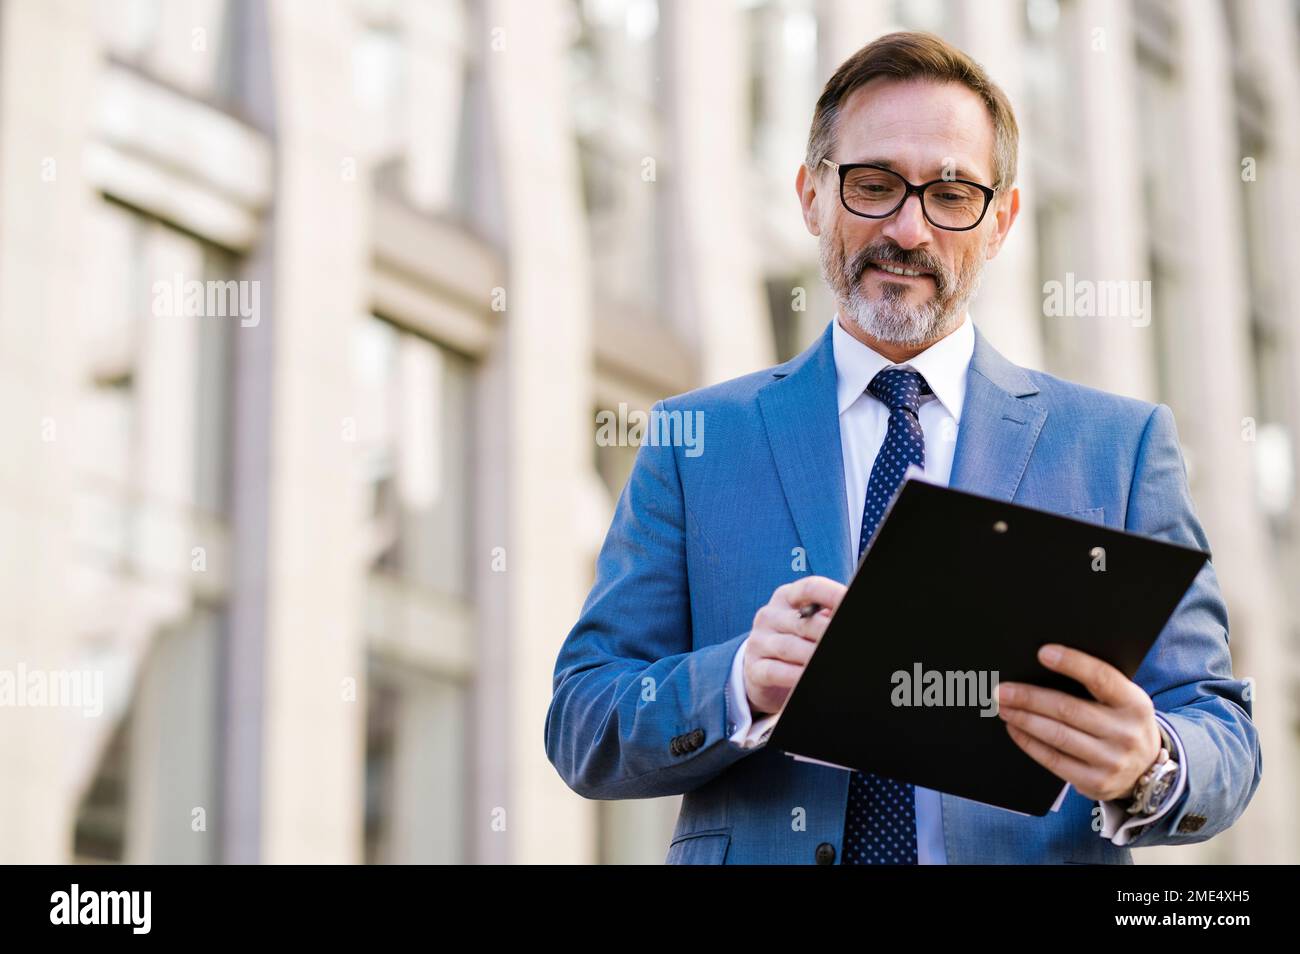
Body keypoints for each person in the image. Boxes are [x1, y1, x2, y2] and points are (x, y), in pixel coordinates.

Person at [544, 30, 1261, 864]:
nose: (909, 230)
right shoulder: (695, 441)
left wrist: (1150, 766)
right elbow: (583, 721)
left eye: (952, 195)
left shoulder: (1120, 448)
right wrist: (738, 678)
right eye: (874, 185)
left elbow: (1221, 728)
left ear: (1001, 222)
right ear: (812, 197)